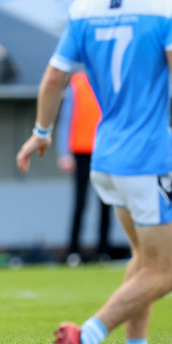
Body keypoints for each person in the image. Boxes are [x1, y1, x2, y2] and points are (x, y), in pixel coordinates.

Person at [15, 0, 172, 344]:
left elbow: (55, 78)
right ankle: (84, 337)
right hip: (147, 160)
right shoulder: (167, 5)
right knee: (168, 272)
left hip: (105, 160)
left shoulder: (84, 8)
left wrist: (41, 133)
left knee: (143, 259)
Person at [55, 71, 110, 266]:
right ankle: (73, 250)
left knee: (106, 202)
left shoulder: (109, 77)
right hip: (80, 151)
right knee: (80, 202)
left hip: (104, 150)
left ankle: (103, 250)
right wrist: (64, 152)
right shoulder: (78, 81)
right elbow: (66, 119)